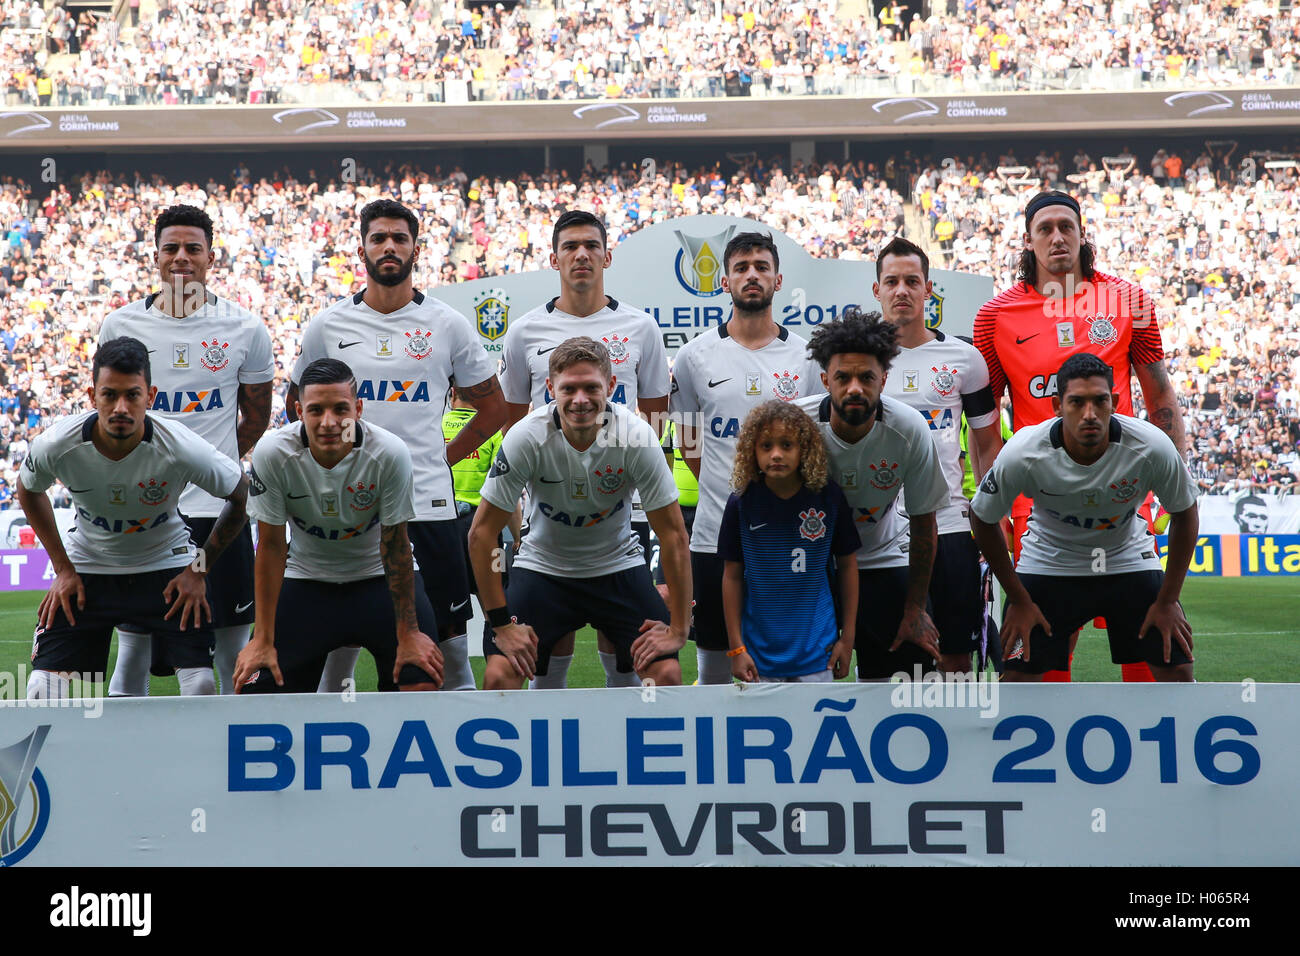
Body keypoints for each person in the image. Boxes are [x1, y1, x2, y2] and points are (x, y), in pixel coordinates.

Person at [288, 198, 505, 691]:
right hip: (348, 507)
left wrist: (438, 458)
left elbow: (493, 409)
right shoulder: (329, 324)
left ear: (416, 248)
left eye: (399, 238)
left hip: (427, 505)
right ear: (361, 248)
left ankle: (452, 752)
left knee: (447, 649)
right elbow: (294, 407)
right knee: (337, 646)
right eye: (379, 237)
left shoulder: (447, 323)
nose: (389, 247)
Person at [972, 189, 1186, 683]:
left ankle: (1153, 751)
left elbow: (1159, 397)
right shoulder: (994, 317)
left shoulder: (1129, 301)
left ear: (1082, 234)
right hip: (1039, 500)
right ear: (1028, 242)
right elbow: (985, 428)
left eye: (1066, 226)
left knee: (1147, 651)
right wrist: (997, 505)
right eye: (1044, 229)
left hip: (1125, 491)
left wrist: (1171, 476)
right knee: (1043, 654)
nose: (1057, 237)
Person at [98, 203, 273, 697]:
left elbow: (256, 417)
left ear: (210, 257)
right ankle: (127, 760)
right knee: (132, 650)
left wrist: (211, 466)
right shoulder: (120, 325)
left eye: (192, 248)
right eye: (170, 248)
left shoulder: (244, 328)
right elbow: (109, 411)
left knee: (232, 648)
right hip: (141, 510)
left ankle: (231, 762)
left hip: (217, 512)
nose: (181, 257)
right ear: (155, 256)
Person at [18, 337, 248, 699]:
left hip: (167, 567)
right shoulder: (56, 444)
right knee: (40, 691)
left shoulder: (180, 446)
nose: (120, 407)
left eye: (132, 395)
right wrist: (62, 568)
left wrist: (198, 571)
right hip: (86, 568)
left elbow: (240, 496)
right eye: (109, 395)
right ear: (92, 395)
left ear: (151, 396)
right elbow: (28, 489)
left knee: (202, 686)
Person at [498, 210, 670, 688]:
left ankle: (624, 740)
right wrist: (517, 506)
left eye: (591, 246)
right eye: (570, 246)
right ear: (554, 258)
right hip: (549, 506)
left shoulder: (641, 328)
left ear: (607, 255)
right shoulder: (524, 331)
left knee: (626, 642)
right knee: (549, 638)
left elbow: (657, 422)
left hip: (624, 502)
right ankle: (549, 743)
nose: (581, 255)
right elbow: (516, 429)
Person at [468, 337, 691, 690]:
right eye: (568, 388)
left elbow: (674, 536)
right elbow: (481, 534)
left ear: (612, 386)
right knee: (499, 677)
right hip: (543, 568)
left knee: (666, 676)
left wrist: (679, 629)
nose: (581, 400)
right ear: (549, 388)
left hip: (617, 565)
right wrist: (501, 625)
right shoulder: (525, 436)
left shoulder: (637, 437)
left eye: (592, 387)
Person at [969, 353, 1199, 682]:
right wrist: (1018, 597)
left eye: (1099, 401)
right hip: (1049, 562)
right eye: (1076, 402)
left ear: (1115, 402)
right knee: (1019, 679)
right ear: (1056, 406)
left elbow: (1185, 512)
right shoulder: (1024, 451)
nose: (1089, 414)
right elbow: (981, 517)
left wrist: (1167, 601)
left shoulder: (1151, 447)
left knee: (1177, 669)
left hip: (1126, 559)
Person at [233, 359, 444, 694]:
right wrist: (262, 638)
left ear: (358, 409)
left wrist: (408, 634)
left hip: (378, 580)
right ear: (299, 411)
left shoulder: (389, 453)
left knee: (419, 685)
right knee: (257, 694)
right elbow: (271, 547)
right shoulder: (273, 452)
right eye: (316, 410)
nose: (329, 422)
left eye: (340, 409)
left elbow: (396, 546)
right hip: (307, 580)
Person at [670, 231, 824, 684]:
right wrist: (729, 486)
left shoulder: (806, 356)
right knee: (715, 666)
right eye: (741, 268)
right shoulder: (694, 356)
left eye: (761, 266)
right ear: (724, 281)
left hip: (788, 535)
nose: (751, 275)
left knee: (789, 659)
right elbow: (690, 442)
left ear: (778, 279)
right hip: (716, 533)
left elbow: (815, 443)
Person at [797, 310, 948, 680]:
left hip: (883, 560)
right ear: (824, 380)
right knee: (804, 688)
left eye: (866, 377)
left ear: (883, 379)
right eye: (842, 377)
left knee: (908, 676)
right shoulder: (795, 429)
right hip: (814, 571)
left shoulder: (909, 427)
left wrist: (915, 610)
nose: (854, 388)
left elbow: (925, 522)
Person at [876, 237, 1001, 673]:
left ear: (929, 289)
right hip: (882, 532)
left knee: (954, 657)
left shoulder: (964, 357)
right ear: (877, 291)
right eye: (891, 281)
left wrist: (990, 514)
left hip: (948, 524)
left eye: (912, 281)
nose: (902, 290)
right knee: (886, 653)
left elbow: (985, 444)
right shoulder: (860, 362)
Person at [720, 401, 859, 682]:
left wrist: (848, 638)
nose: (776, 455)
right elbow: (732, 577)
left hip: (818, 653)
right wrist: (736, 648)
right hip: (759, 658)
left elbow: (847, 566)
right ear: (752, 451)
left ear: (804, 449)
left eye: (786, 445)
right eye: (766, 446)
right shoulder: (741, 503)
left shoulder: (828, 497)